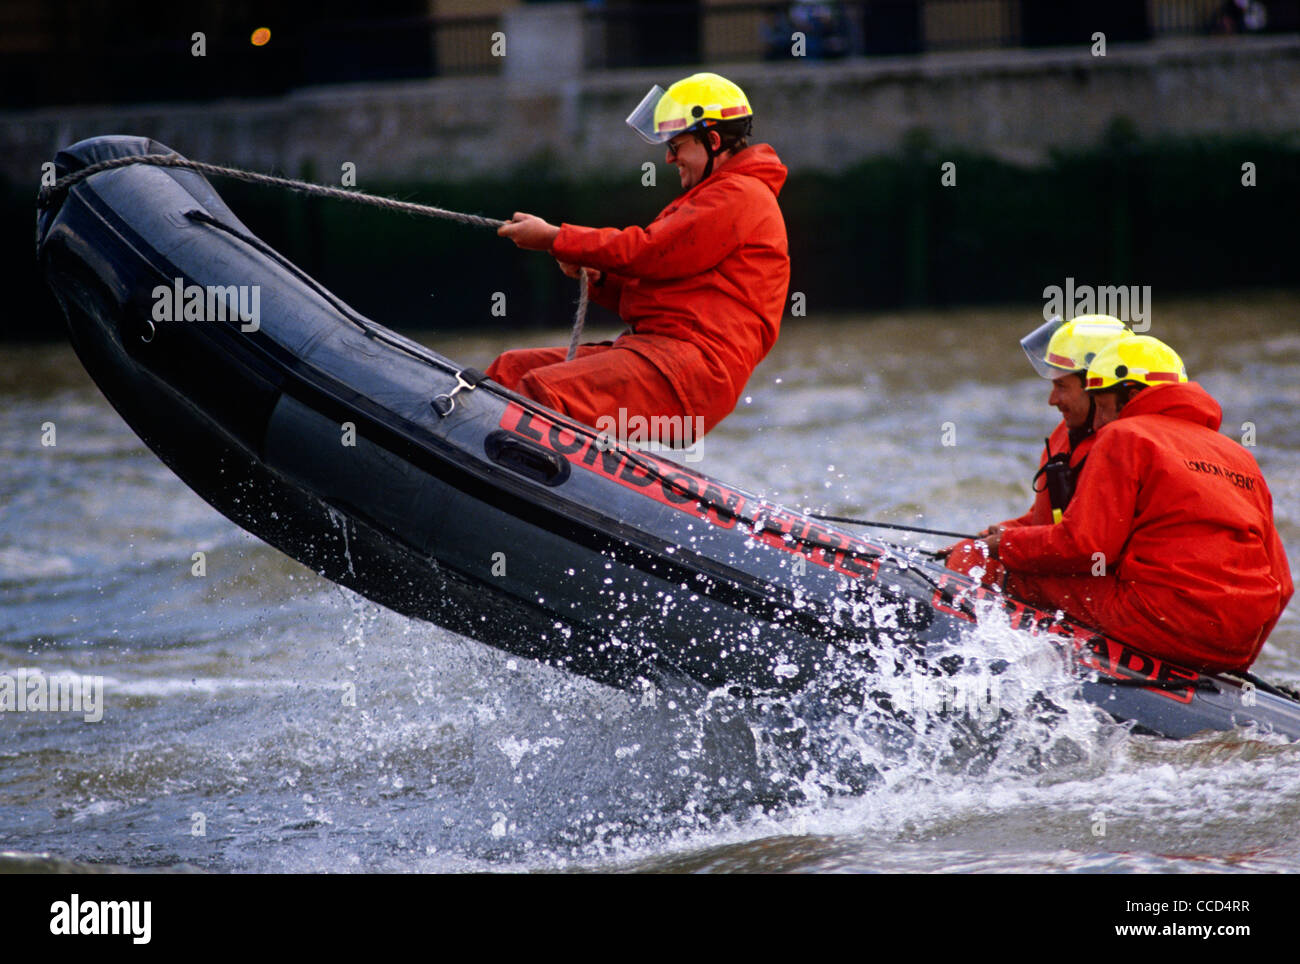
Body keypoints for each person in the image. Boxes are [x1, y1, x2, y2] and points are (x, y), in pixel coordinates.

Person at [487, 72, 790, 443]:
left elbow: (646, 252)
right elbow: (652, 288)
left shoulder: (739, 195)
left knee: (541, 392)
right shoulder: (717, 196)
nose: (668, 158)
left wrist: (555, 237)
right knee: (510, 368)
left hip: (687, 373)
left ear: (712, 141)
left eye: (676, 146)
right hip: (660, 355)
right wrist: (599, 278)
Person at [968, 335, 1292, 673]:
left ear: (1133, 395)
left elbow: (1087, 546)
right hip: (1237, 644)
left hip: (1158, 619)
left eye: (1102, 403)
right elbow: (1283, 585)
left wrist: (1005, 545)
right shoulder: (1240, 456)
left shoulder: (1125, 436)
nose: (1096, 421)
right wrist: (1235, 661)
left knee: (1004, 572)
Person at [944, 314, 1131, 571]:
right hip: (1080, 569)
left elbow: (1088, 547)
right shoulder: (1064, 435)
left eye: (1061, 386)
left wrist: (1003, 545)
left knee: (974, 563)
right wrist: (991, 539)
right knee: (969, 556)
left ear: (1096, 386)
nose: (1052, 400)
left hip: (1110, 583)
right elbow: (1044, 523)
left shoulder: (1128, 447)